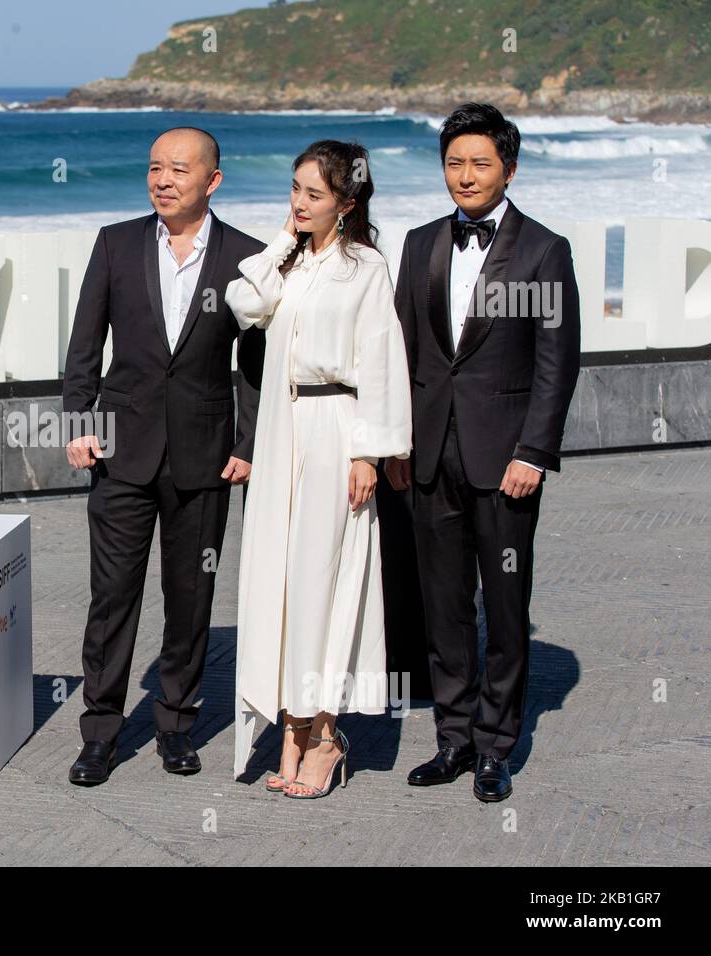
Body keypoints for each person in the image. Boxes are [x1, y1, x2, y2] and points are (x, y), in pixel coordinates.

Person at [385, 103, 581, 802]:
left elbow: (558, 362)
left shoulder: (543, 250)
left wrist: (534, 451)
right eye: (454, 163)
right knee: (442, 611)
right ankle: (454, 739)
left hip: (506, 464)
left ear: (509, 168)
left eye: (480, 163)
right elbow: (403, 353)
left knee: (503, 605)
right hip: (430, 456)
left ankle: (497, 746)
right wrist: (396, 443)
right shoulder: (419, 243)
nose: (464, 176)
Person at [62, 127, 267, 786]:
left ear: (212, 180)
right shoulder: (115, 243)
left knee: (191, 596)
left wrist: (248, 443)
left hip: (205, 457)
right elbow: (85, 344)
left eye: (179, 169)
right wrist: (78, 421)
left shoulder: (248, 257)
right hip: (120, 451)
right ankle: (100, 732)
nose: (162, 180)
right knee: (111, 598)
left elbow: (255, 367)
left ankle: (176, 723)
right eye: (154, 168)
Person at [226, 141, 411, 799]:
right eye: (295, 189)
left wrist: (370, 451)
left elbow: (382, 358)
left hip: (337, 430)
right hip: (282, 430)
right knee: (278, 577)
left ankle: (323, 733)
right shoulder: (288, 264)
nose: (299, 203)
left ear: (347, 202)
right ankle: (289, 727)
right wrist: (285, 239)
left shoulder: (366, 267)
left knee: (324, 582)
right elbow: (244, 304)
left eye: (314, 194)